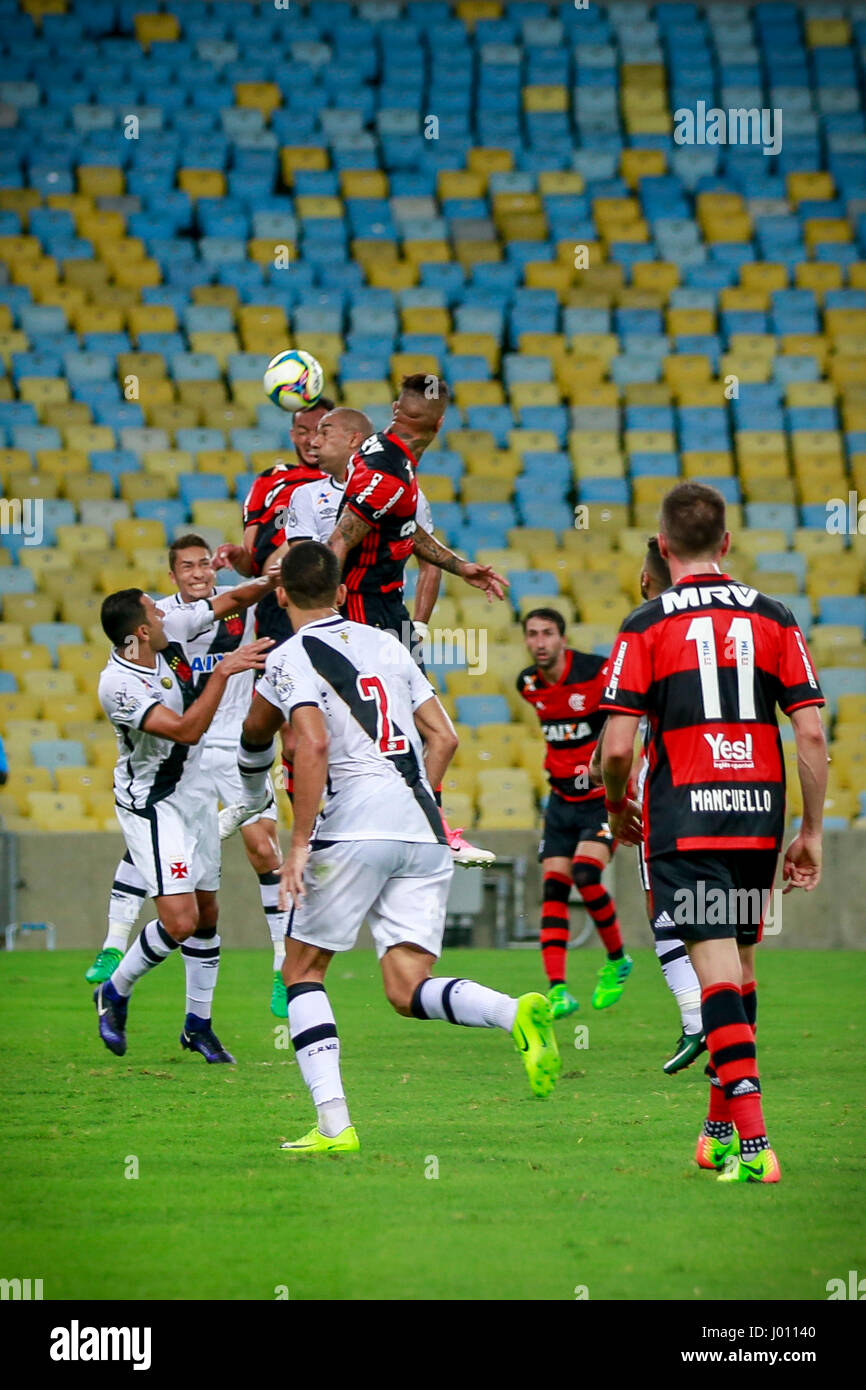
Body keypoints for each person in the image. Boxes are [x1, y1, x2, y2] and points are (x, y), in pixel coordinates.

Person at [233, 541, 561, 1153]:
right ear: (339, 592)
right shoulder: (386, 643)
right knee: (407, 986)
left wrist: (299, 844)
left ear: (280, 595)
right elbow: (446, 737)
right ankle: (512, 1011)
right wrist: (421, 799)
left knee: (302, 970)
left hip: (353, 827)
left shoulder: (289, 655)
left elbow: (311, 745)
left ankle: (335, 1126)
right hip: (422, 827)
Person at [600, 482, 827, 1183]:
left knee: (714, 977)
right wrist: (812, 831)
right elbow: (812, 733)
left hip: (688, 816)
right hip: (758, 812)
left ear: (663, 549)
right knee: (741, 969)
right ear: (725, 544)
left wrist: (615, 809)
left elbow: (614, 748)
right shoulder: (776, 616)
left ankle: (756, 1145)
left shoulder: (646, 623)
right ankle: (717, 1131)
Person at [85, 536, 288, 1018]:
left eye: (204, 564)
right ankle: (115, 955)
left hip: (209, 763)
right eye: (186, 567)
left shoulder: (183, 620)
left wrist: (274, 575)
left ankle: (272, 973)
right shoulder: (125, 674)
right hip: (163, 781)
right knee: (178, 908)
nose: (198, 573)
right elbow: (184, 729)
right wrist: (224, 671)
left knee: (245, 869)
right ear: (172, 575)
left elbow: (240, 596)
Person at [589, 538, 706, 1074]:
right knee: (726, 920)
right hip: (742, 789)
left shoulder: (646, 626)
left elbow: (619, 741)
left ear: (645, 579)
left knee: (667, 914)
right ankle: (731, 1036)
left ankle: (695, 1020)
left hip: (671, 793)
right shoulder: (737, 621)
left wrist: (612, 796)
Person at [518, 608, 633, 1020]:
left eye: (547, 633)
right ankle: (558, 991)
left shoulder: (596, 673)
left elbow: (624, 722)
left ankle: (618, 960)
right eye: (532, 634)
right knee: (552, 888)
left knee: (585, 874)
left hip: (600, 797)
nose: (540, 642)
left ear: (562, 638)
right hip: (561, 801)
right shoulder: (528, 683)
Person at [212, 395, 336, 646]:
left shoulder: (351, 482)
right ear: (292, 435)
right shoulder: (270, 481)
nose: (311, 440)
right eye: (303, 431)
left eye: (319, 431)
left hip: (331, 599)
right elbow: (249, 564)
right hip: (276, 601)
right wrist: (237, 555)